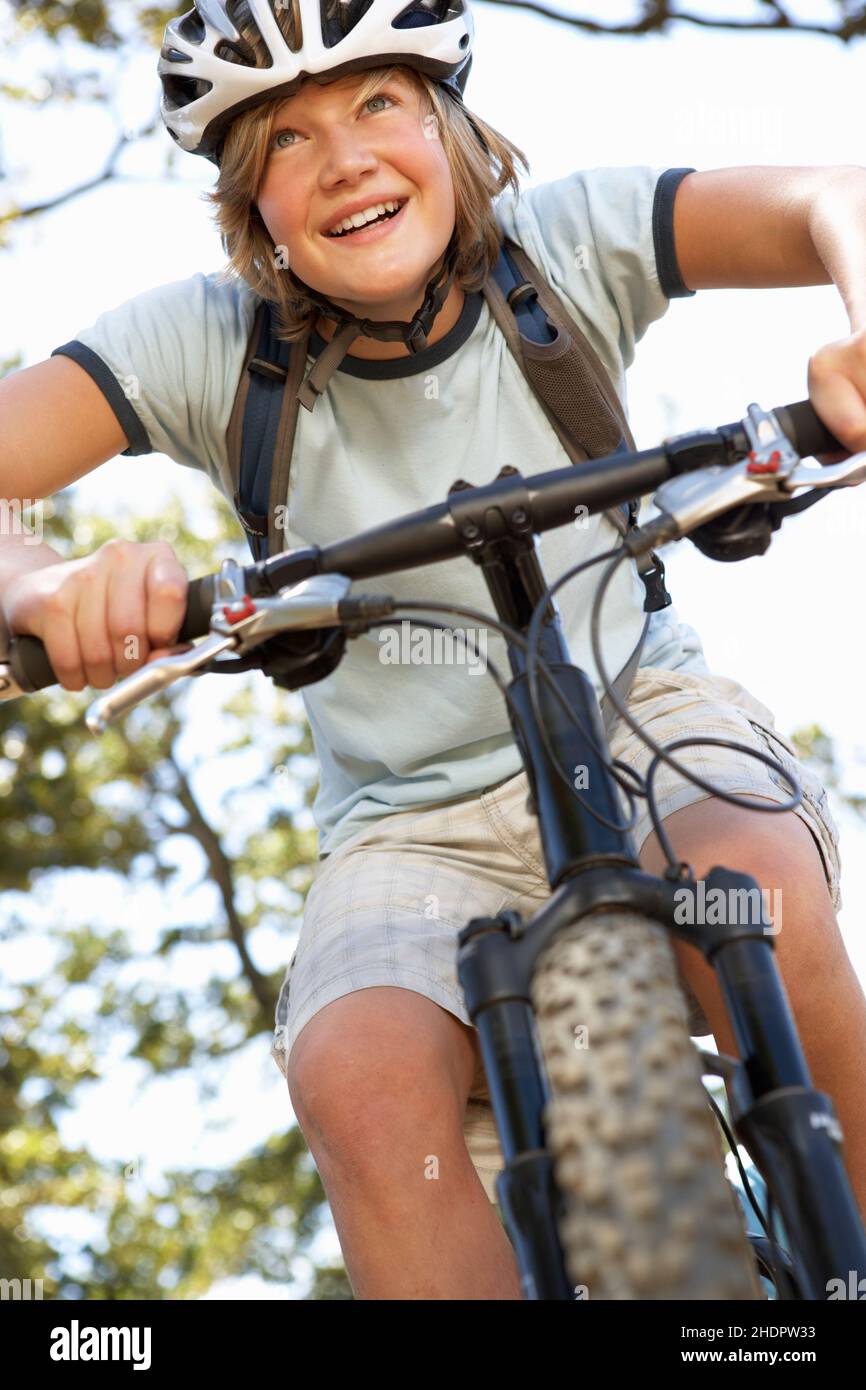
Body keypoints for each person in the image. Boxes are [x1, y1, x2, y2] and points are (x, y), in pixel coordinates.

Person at [2, 0, 866, 1300]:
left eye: (376, 105)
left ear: (452, 132)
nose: (342, 156)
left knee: (748, 892)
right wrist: (47, 580)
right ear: (254, 214)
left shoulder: (567, 245)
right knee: (358, 1080)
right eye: (285, 141)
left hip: (639, 707)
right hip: (406, 827)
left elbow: (828, 195)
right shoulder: (206, 343)